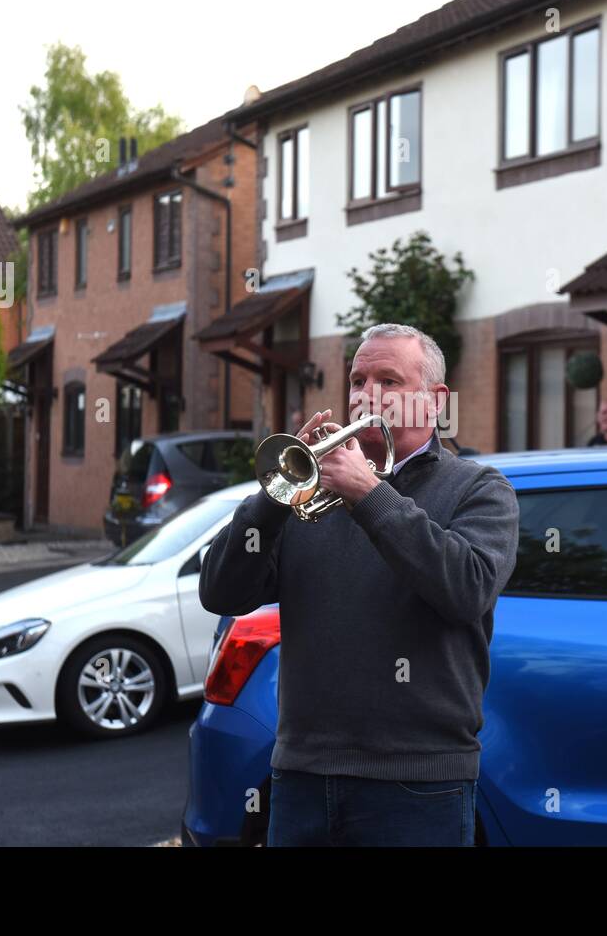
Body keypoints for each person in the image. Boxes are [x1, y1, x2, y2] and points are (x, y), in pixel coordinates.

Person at [199, 323, 520, 846]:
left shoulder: (479, 489)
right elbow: (220, 591)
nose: (365, 395)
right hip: (302, 770)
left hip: (417, 781)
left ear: (435, 401)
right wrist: (276, 495)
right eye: (357, 380)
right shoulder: (310, 496)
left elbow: (466, 589)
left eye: (388, 381)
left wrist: (369, 493)